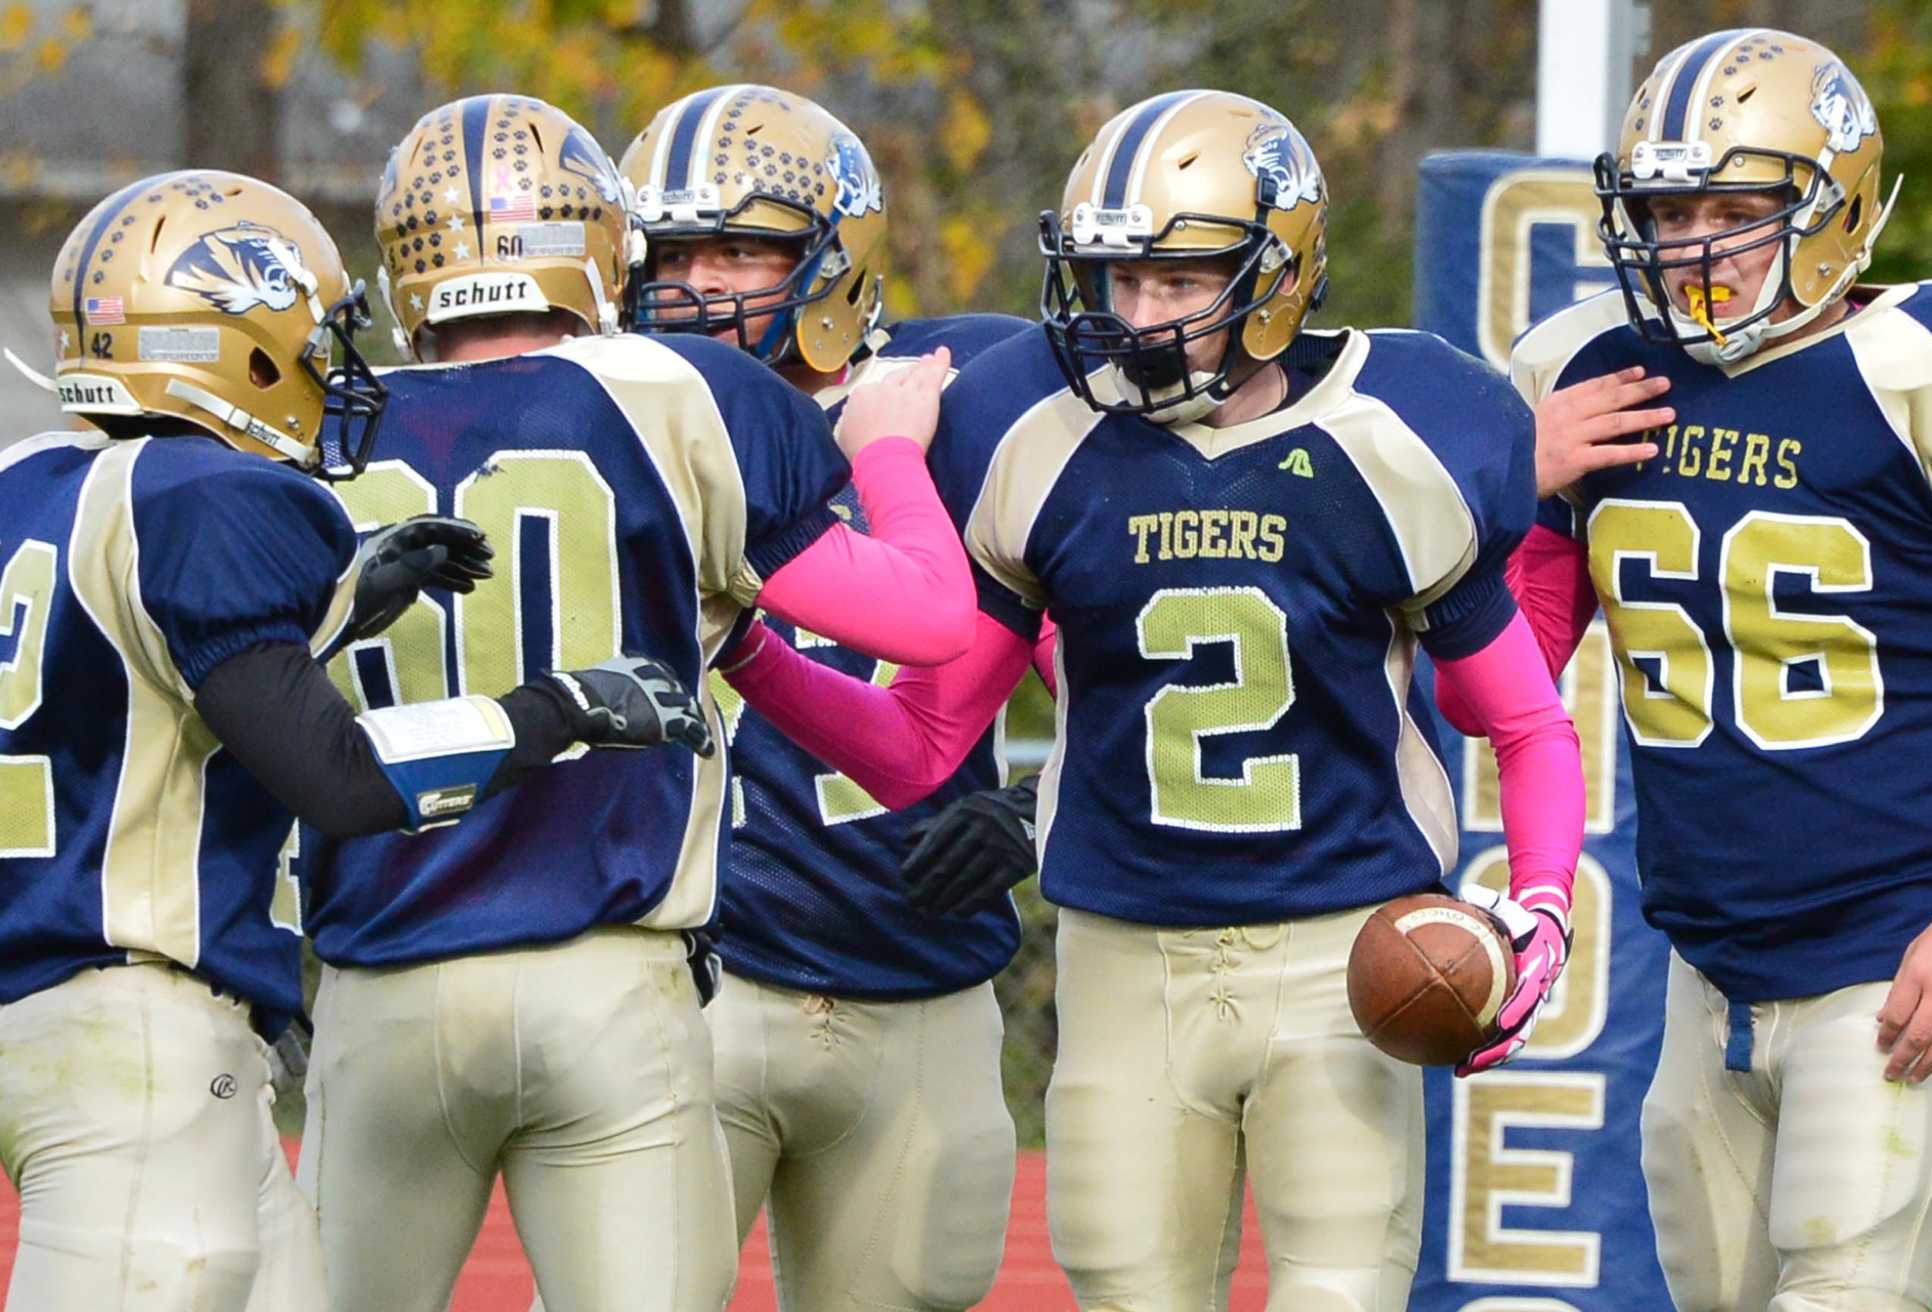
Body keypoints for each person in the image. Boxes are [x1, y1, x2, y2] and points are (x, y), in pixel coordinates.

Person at [716, 89, 1586, 1309]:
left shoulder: (1404, 433)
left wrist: (1541, 905)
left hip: (1341, 950)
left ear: (1276, 272)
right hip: (1123, 959)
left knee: (1340, 1290)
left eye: (1177, 280)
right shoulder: (1034, 433)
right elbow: (919, 747)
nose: (1135, 314)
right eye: (1115, 279)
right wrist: (748, 650)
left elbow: (1527, 724)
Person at [294, 93, 974, 1312]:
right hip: (607, 980)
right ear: (601, 241)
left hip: (380, 978)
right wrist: (884, 447)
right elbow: (926, 618)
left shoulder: (316, 434)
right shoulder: (680, 392)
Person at [0, 170, 703, 1312]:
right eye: (312, 337)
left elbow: (137, 670)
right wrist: (557, 712)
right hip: (132, 1044)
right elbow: (337, 779)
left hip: (67, 1020)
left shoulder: (30, 482)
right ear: (239, 343)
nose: (332, 366)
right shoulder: (207, 499)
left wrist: (344, 601)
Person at [1455, 28, 1932, 1310]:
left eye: (1738, 208)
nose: (1695, 242)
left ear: (1831, 208)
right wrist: (1513, 485)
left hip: (1900, 952)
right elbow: (1488, 686)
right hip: (1705, 965)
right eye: (1669, 208)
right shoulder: (1581, 369)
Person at [608, 83, 1036, 1311]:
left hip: (918, 983)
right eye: (672, 253)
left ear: (831, 259)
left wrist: (1036, 804)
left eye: (739, 249)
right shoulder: (606, 422)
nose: (695, 287)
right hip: (689, 984)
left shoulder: (969, 413)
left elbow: (1121, 677)